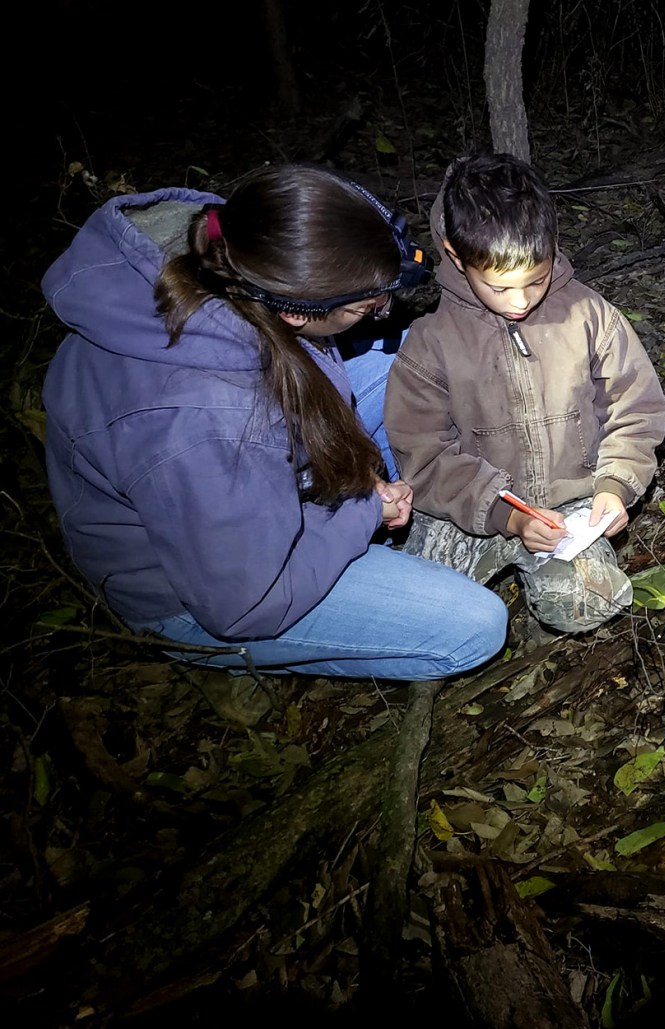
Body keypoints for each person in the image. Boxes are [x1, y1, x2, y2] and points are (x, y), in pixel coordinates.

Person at [42, 164, 509, 699]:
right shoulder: (205, 419)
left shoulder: (238, 248)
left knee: (413, 362)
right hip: (216, 591)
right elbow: (246, 601)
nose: (381, 311)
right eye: (365, 306)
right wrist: (361, 513)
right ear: (295, 314)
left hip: (228, 487)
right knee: (475, 627)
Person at [385, 151, 665, 634]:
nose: (520, 301)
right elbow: (424, 456)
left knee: (595, 603)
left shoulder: (589, 316)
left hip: (569, 511)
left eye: (536, 281)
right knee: (414, 618)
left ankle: (541, 601)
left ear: (553, 247)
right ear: (456, 256)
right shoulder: (431, 342)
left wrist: (615, 485)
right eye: (499, 288)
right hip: (471, 508)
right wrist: (508, 515)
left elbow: (636, 408)